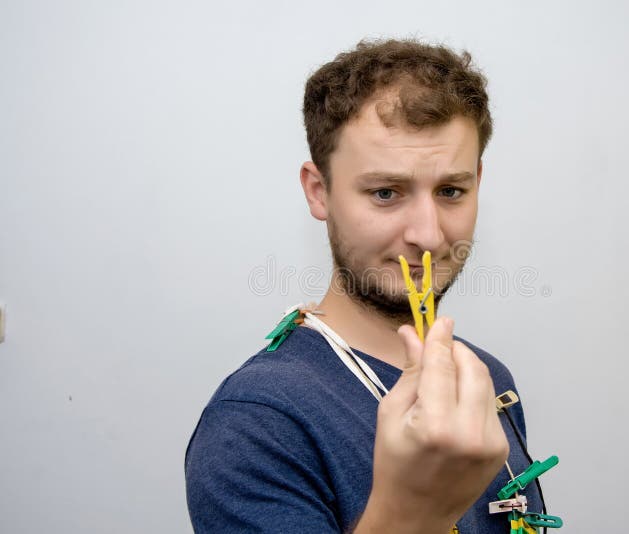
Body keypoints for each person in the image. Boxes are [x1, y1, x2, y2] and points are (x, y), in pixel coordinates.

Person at [185, 38, 544, 533]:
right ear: (320, 191)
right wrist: (411, 509)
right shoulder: (257, 422)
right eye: (385, 193)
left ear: (478, 182)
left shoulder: (485, 379)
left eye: (451, 190)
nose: (428, 235)